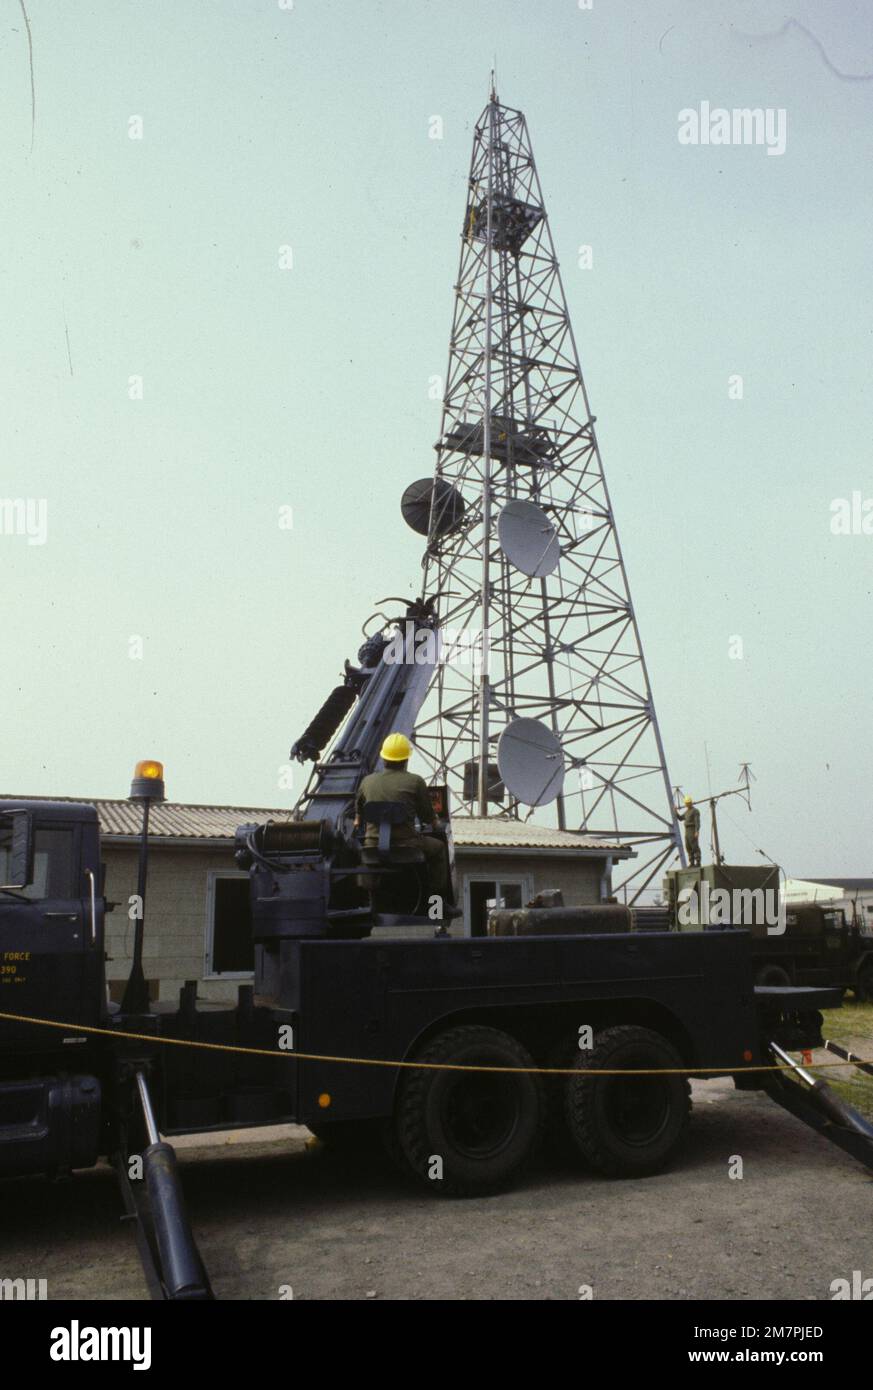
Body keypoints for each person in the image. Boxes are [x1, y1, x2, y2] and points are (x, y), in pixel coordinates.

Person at [355, 732, 462, 919]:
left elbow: (358, 818)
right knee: (438, 849)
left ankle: (369, 901)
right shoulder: (416, 781)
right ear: (406, 759)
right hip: (407, 846)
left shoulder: (367, 781)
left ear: (383, 757)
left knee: (362, 850)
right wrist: (436, 824)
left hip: (372, 846)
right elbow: (430, 820)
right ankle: (436, 905)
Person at [677, 794, 701, 867]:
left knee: (694, 846)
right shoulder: (687, 812)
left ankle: (698, 862)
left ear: (691, 803)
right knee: (688, 846)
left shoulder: (695, 811)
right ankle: (692, 862)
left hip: (692, 829)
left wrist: (697, 831)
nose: (687, 804)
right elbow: (681, 818)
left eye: (688, 803)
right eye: (686, 803)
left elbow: (697, 822)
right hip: (687, 830)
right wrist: (675, 812)